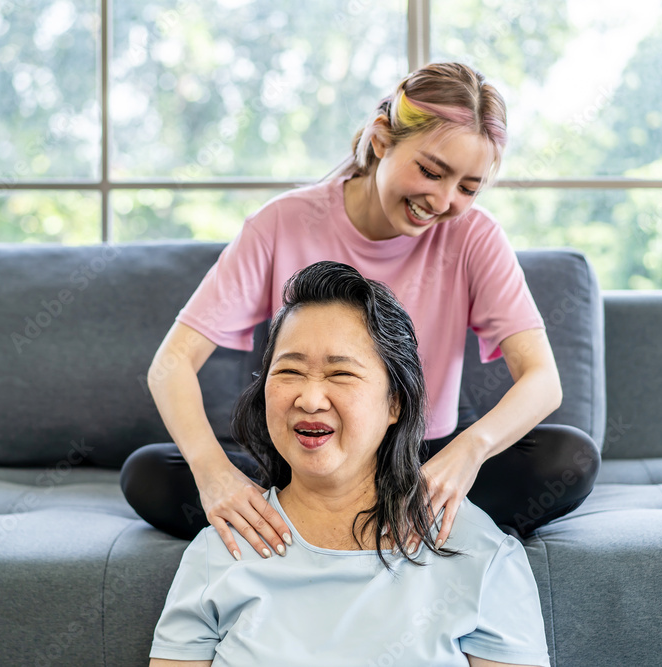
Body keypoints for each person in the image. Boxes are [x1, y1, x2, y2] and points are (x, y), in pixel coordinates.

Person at [123, 61, 600, 560]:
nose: (441, 201)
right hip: (305, 460)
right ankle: (382, 524)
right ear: (380, 140)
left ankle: (331, 529)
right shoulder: (280, 224)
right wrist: (215, 475)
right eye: (431, 171)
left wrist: (468, 453)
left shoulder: (473, 237)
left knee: (567, 459)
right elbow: (170, 364)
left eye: (467, 187)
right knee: (151, 476)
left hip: (419, 457)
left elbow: (543, 379)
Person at [148, 261, 550, 667]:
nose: (310, 399)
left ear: (395, 402)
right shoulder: (219, 550)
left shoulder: (480, 552)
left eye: (340, 374)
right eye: (289, 370)